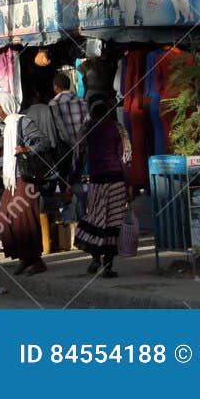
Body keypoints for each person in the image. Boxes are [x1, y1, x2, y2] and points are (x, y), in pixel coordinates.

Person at [75, 96, 131, 278]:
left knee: (96, 219)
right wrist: (129, 184)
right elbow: (126, 157)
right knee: (113, 223)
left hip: (96, 182)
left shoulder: (86, 129)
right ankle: (107, 266)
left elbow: (78, 155)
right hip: (116, 182)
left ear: (91, 113)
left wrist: (72, 178)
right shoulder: (118, 128)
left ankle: (95, 259)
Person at [0, 93, 46, 276]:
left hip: (26, 177)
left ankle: (36, 260)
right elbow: (8, 156)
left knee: (25, 219)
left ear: (6, 106)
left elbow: (43, 142)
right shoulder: (6, 127)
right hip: (12, 181)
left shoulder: (23, 122)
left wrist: (26, 149)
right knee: (4, 217)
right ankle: (24, 257)